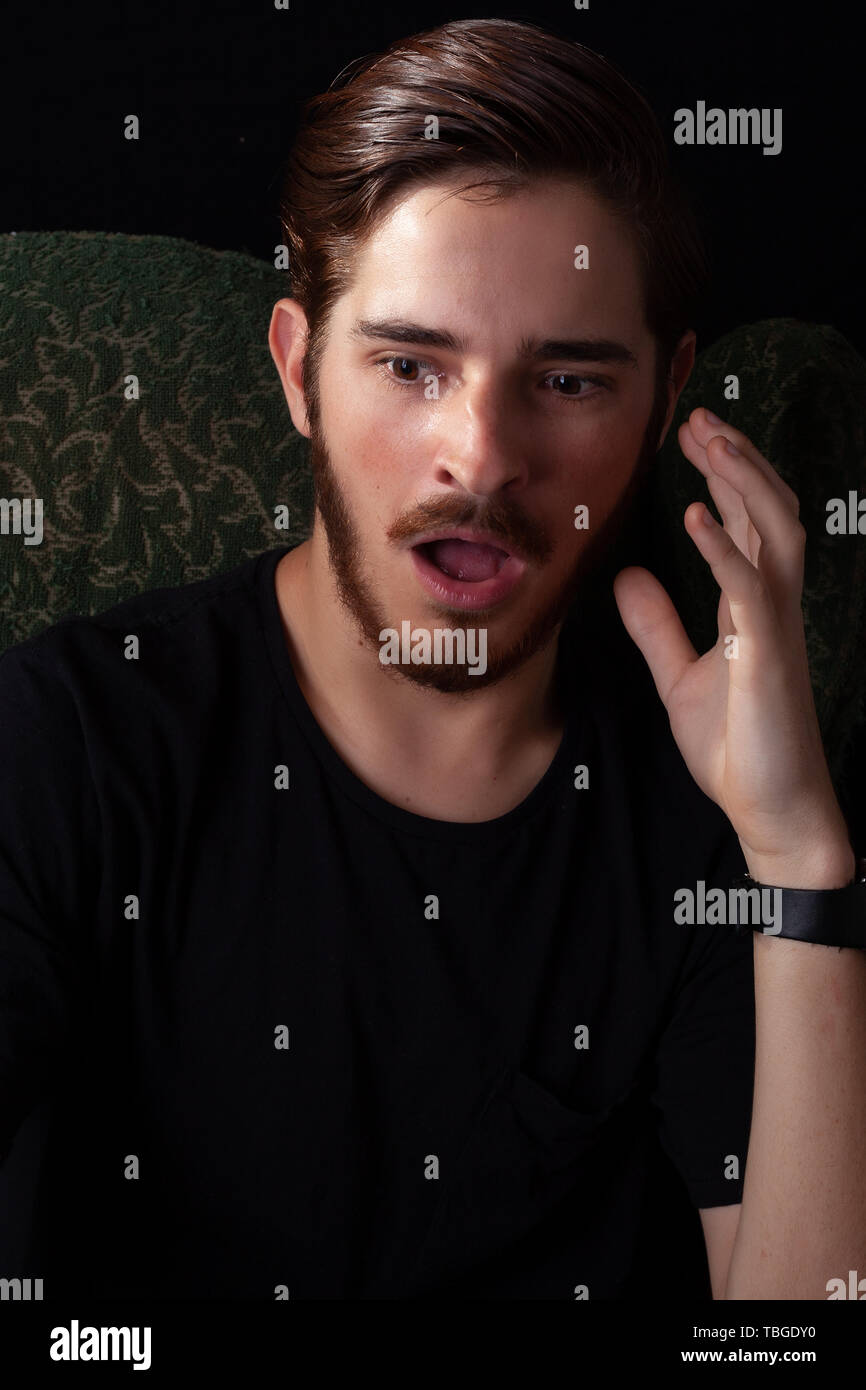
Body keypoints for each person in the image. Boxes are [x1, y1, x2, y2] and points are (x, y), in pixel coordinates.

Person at [1, 18, 858, 1303]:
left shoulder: (709, 818)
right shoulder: (64, 745)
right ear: (300, 373)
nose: (481, 456)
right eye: (409, 365)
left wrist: (797, 858)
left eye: (567, 381)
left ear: (662, 403)